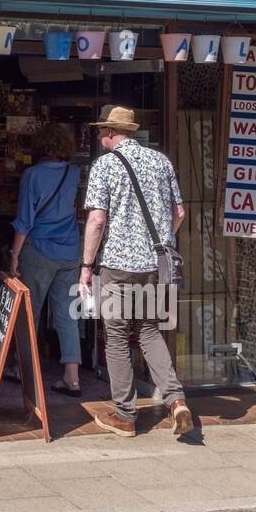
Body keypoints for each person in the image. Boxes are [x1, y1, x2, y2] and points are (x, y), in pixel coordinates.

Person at [80, 105, 193, 436]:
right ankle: (176, 401)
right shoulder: (161, 162)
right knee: (148, 330)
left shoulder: (104, 166)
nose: (100, 135)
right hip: (154, 265)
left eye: (102, 130)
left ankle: (126, 415)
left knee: (115, 336)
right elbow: (180, 212)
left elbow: (97, 220)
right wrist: (162, 239)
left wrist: (87, 266)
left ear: (112, 133)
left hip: (117, 265)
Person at [8, 122, 82, 396]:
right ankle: (72, 377)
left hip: (39, 250)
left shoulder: (32, 175)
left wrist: (15, 254)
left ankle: (23, 369)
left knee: (30, 312)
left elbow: (25, 220)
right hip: (70, 251)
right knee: (67, 315)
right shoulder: (73, 173)